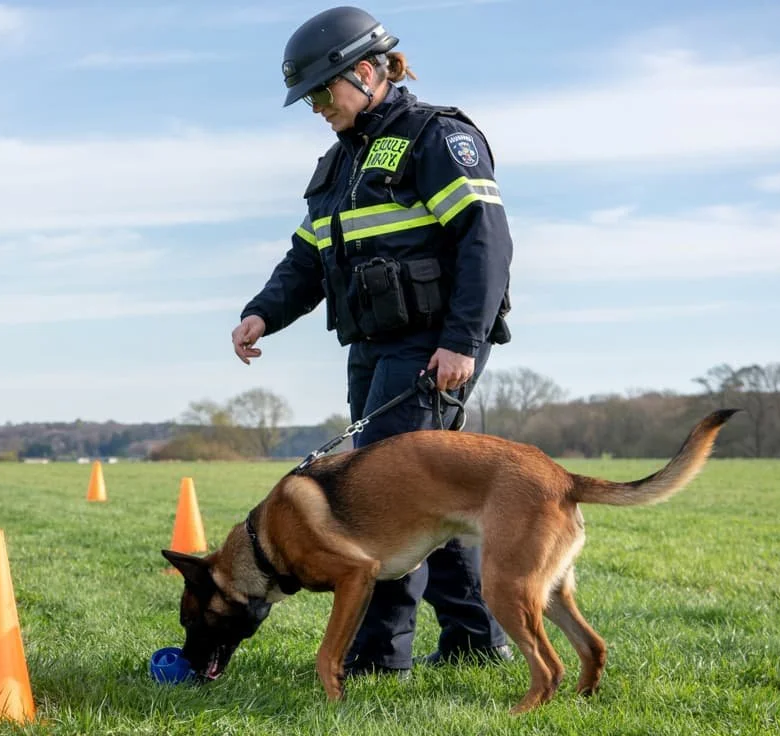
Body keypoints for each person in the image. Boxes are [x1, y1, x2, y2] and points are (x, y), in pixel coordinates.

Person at [230, 6, 515, 677]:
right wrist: (262, 313)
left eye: (322, 93)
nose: (317, 109)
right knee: (428, 499)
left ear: (363, 72)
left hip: (431, 347)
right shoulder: (339, 165)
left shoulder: (435, 138)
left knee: (379, 501)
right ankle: (477, 642)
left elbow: (486, 242)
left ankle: (380, 658)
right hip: (370, 348)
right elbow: (307, 260)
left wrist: (462, 342)